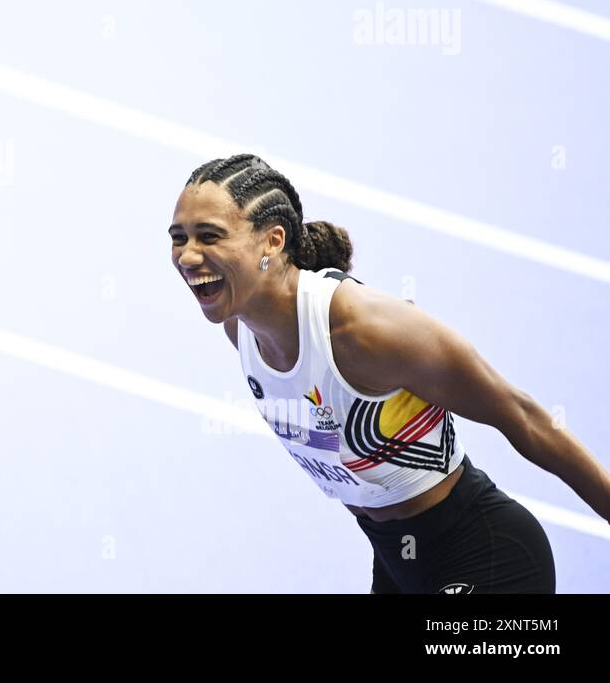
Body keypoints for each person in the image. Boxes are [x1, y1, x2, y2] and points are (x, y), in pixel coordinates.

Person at [170, 153, 610, 592]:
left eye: (209, 237)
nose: (188, 256)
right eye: (179, 238)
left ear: (272, 241)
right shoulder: (240, 328)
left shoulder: (365, 332)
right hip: (397, 565)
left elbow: (525, 417)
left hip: (486, 557)